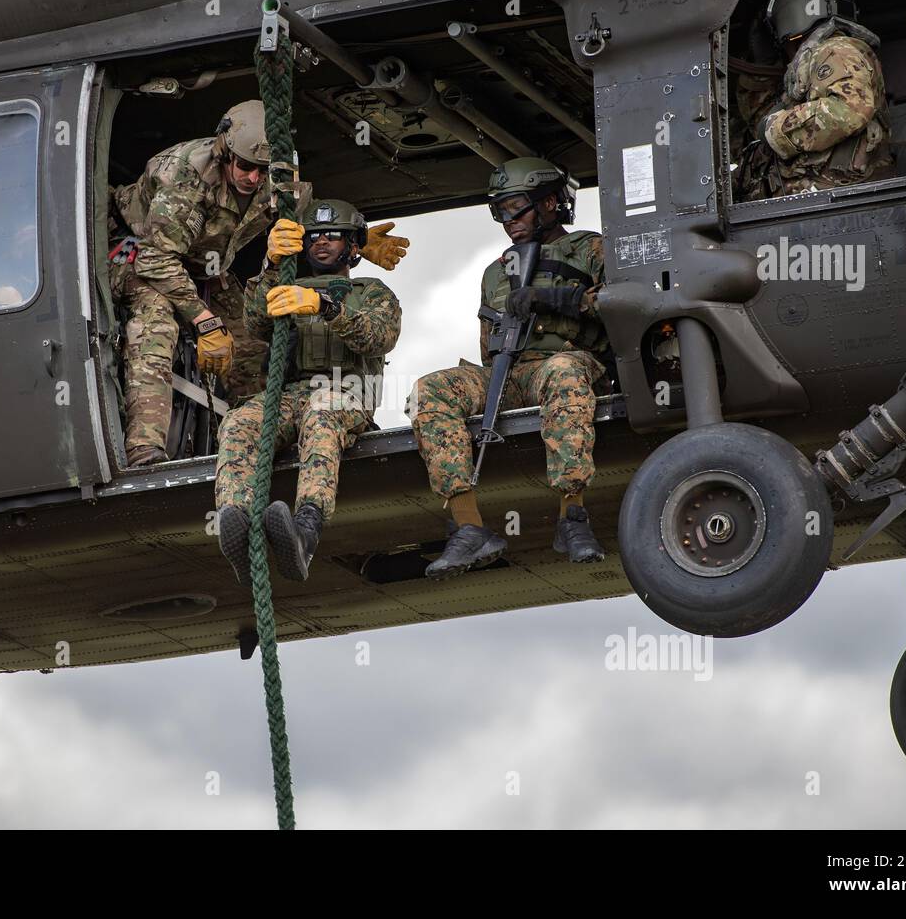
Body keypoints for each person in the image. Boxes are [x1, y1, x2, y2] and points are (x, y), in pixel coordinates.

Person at [108, 101, 409, 466]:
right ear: (225, 153)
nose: (253, 179)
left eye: (262, 171)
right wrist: (205, 322)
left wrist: (355, 241)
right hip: (142, 255)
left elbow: (301, 220)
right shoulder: (185, 175)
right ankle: (145, 449)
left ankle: (248, 449)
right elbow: (158, 257)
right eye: (245, 167)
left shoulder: (281, 180)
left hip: (205, 268)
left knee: (251, 343)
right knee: (155, 322)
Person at [407, 157, 608, 579]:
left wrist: (552, 299)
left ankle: (572, 517)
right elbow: (489, 345)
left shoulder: (590, 249)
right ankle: (468, 526)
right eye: (499, 211)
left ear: (550, 203)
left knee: (564, 372)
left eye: (515, 207)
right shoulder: (496, 272)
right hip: (509, 372)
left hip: (563, 364)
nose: (507, 220)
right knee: (431, 388)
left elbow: (622, 301)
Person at [213, 200, 402, 584]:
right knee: (240, 421)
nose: (322, 243)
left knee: (322, 411)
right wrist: (269, 266)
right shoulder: (287, 289)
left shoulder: (371, 291)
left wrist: (324, 306)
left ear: (353, 247)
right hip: (292, 394)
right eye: (314, 236)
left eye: (334, 236)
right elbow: (256, 323)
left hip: (346, 391)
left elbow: (379, 337)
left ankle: (305, 530)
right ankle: (238, 524)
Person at [734, 0, 892, 201]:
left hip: (835, 201)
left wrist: (777, 130)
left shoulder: (835, 49)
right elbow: (762, 124)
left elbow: (849, 110)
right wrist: (762, 68)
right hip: (818, 201)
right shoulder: (815, 61)